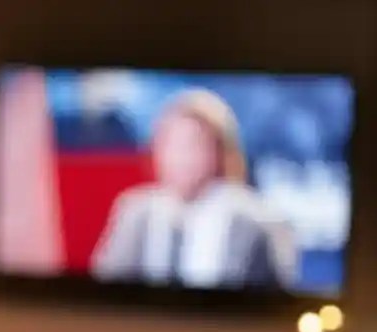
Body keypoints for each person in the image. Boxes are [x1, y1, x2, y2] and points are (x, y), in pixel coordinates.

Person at [90, 89, 298, 290]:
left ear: (219, 152)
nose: (181, 158)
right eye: (172, 145)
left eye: (193, 145)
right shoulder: (134, 212)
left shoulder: (260, 223)